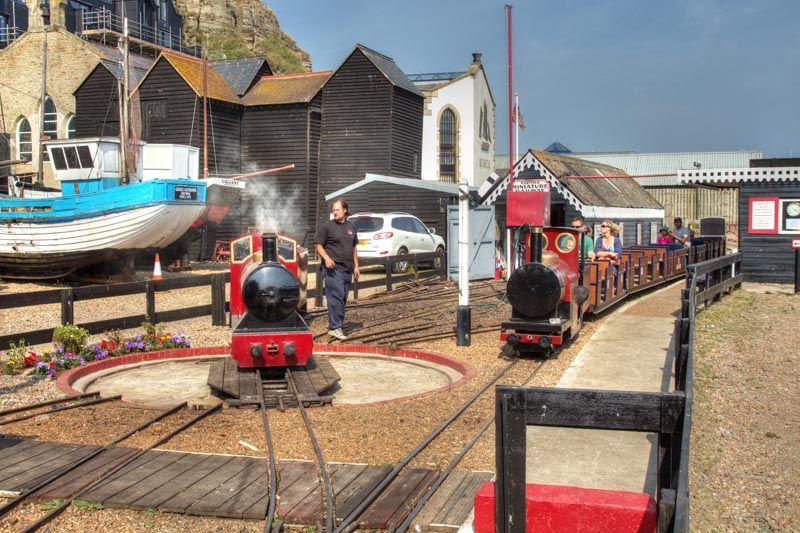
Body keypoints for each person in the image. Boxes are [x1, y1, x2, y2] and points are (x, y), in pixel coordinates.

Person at [315, 198, 360, 340]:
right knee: (336, 296)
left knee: (343, 297)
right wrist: (326, 258)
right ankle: (335, 327)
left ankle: (336, 324)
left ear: (345, 210)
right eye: (333, 210)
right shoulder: (327, 226)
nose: (335, 212)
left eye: (337, 210)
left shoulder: (351, 227)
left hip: (347, 268)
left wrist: (356, 266)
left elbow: (354, 248)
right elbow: (318, 245)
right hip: (333, 268)